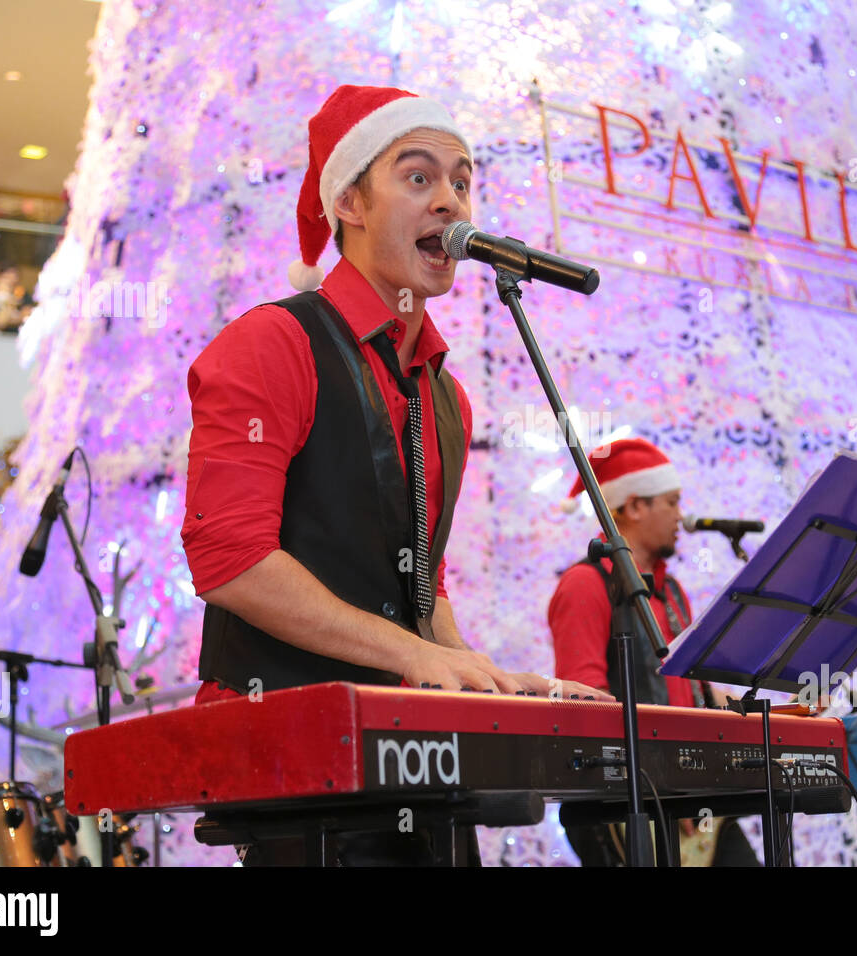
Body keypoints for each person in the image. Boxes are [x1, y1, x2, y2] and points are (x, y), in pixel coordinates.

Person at [181, 84, 607, 866]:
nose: (450, 200)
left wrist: (485, 675)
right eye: (418, 178)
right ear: (348, 200)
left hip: (419, 762)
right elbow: (229, 560)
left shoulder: (446, 393)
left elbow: (418, 582)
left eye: (462, 180)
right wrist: (415, 657)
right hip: (299, 769)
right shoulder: (272, 344)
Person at [548, 437, 758, 866]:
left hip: (693, 797)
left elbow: (702, 695)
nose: (682, 515)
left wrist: (777, 713)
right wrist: (667, 783)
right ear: (634, 506)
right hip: (629, 803)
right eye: (672, 501)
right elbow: (584, 702)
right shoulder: (585, 585)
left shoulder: (675, 592)